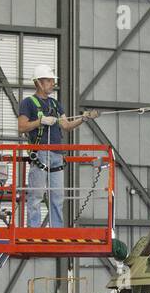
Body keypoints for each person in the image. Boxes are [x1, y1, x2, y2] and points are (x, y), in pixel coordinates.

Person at [18, 65, 100, 229]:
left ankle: (56, 229)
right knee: (36, 195)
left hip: (57, 155)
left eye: (52, 81)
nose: (52, 84)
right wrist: (40, 121)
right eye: (49, 81)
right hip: (40, 154)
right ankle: (33, 229)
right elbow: (22, 127)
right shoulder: (29, 103)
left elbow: (66, 125)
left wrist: (84, 118)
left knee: (57, 196)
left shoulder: (55, 104)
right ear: (39, 83)